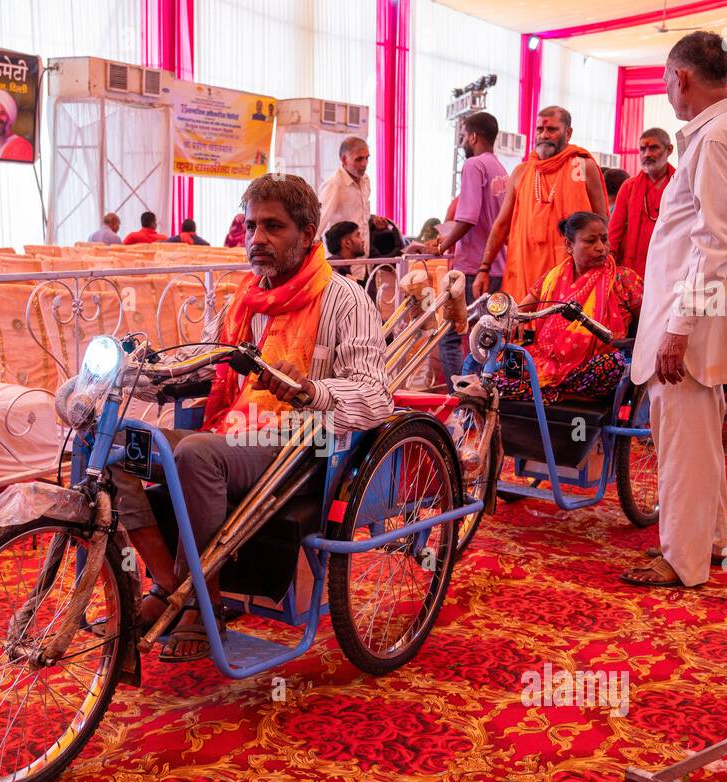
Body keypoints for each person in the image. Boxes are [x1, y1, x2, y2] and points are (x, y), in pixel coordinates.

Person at [108, 173, 392, 662]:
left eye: (273, 227)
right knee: (120, 447)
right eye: (250, 226)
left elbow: (375, 395)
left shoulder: (344, 299)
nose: (256, 239)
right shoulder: (244, 298)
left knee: (197, 453)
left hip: (303, 444)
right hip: (233, 433)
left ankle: (205, 602)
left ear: (307, 235)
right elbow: (207, 362)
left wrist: (311, 389)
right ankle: (168, 583)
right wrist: (137, 373)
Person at [623, 30, 727, 589]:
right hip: (706, 305)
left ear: (680, 77)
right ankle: (709, 543)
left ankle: (682, 559)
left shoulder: (715, 138)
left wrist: (680, 326)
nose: (666, 89)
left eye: (665, 79)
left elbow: (716, 243)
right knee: (699, 438)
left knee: (682, 440)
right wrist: (724, 297)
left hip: (686, 315)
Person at [492, 212, 642, 403]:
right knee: (497, 364)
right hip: (548, 360)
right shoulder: (552, 278)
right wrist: (514, 322)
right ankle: (556, 393)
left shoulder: (624, 279)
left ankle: (546, 392)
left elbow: (649, 320)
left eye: (604, 240)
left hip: (590, 366)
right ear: (569, 246)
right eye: (590, 241)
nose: (601, 248)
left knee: (616, 364)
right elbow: (520, 311)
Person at [473, 105, 610, 301]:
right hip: (524, 272)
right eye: (540, 129)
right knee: (521, 328)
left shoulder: (582, 166)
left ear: (568, 133)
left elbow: (602, 219)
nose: (544, 135)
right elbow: (501, 224)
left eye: (552, 129)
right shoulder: (521, 172)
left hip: (569, 275)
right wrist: (484, 268)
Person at [424, 111, 508, 389]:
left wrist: (441, 245)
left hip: (473, 267)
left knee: (449, 334)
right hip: (497, 265)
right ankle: (482, 401)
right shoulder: (502, 170)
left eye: (463, 135)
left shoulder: (474, 165)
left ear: (473, 136)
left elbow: (468, 216)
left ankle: (460, 400)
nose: (462, 140)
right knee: (487, 338)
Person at [609, 127, 676, 278]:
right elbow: (614, 231)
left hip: (667, 266)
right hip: (631, 268)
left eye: (653, 148)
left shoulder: (680, 185)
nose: (647, 154)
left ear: (669, 150)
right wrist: (610, 263)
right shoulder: (629, 187)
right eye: (642, 149)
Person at [316, 136, 372, 258]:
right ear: (344, 160)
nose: (364, 164)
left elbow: (363, 216)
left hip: (364, 257)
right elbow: (318, 224)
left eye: (367, 158)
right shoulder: (334, 184)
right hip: (340, 260)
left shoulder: (366, 180)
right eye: (359, 159)